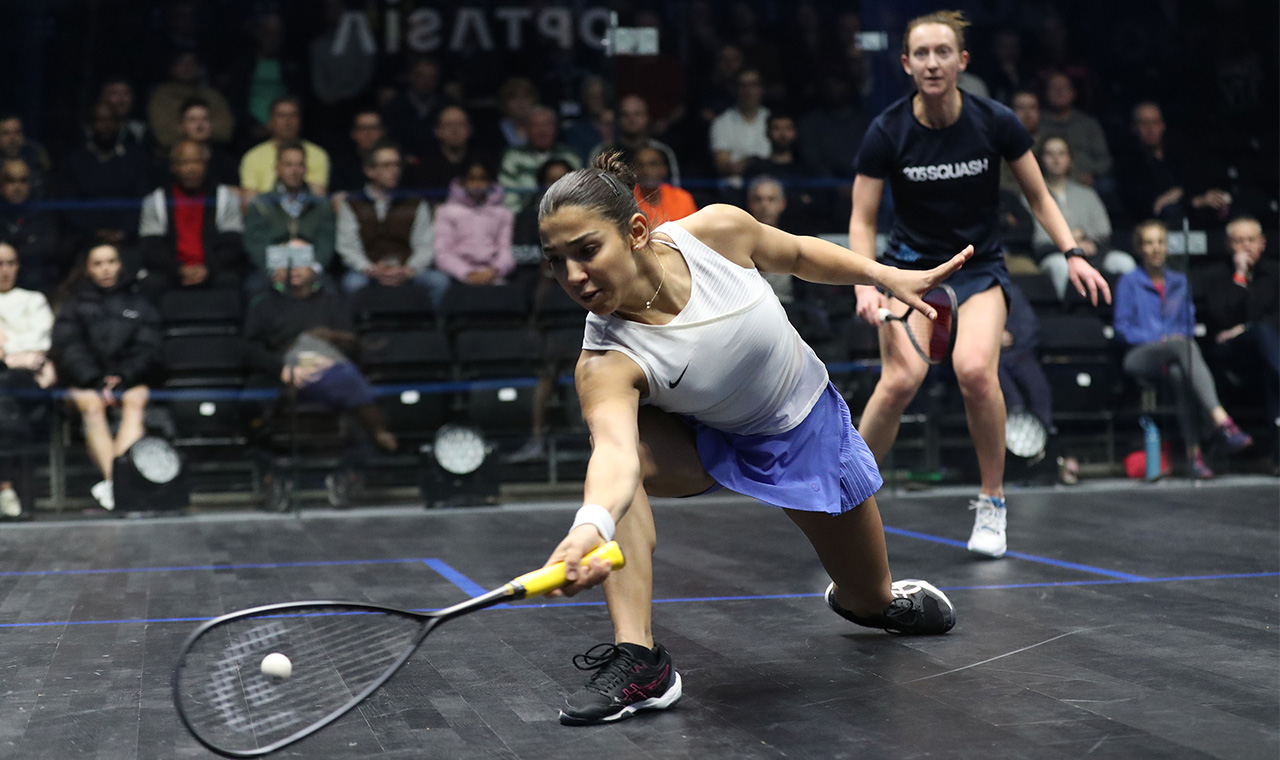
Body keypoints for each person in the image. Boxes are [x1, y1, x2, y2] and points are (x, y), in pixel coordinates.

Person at [535, 152, 964, 726]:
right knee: (627, 466)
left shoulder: (715, 233)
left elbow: (799, 253)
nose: (574, 278)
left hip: (803, 427)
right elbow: (614, 453)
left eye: (587, 251)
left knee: (870, 600)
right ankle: (640, 659)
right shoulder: (604, 360)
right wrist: (591, 527)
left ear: (636, 231)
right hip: (706, 442)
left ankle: (873, 599)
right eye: (556, 262)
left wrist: (884, 275)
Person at [847, 10, 1110, 559]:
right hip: (911, 272)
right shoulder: (886, 131)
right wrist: (866, 284)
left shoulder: (996, 122)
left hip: (980, 269)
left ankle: (992, 501)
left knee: (973, 373)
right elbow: (863, 220)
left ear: (962, 61)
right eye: (921, 53)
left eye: (943, 51)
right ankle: (843, 501)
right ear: (905, 64)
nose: (932, 62)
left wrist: (1075, 254)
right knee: (898, 384)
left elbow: (1040, 197)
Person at [243, 255, 397, 507]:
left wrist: (328, 362)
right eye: (286, 261)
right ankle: (271, 476)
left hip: (326, 370)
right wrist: (282, 367)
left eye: (301, 261)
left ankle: (349, 473)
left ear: (315, 268)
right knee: (251, 399)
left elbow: (349, 342)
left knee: (362, 398)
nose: (293, 268)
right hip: (280, 373)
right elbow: (250, 348)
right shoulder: (262, 304)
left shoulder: (333, 302)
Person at [1115, 220, 1253, 479]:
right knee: (1181, 346)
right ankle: (1222, 421)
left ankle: (1194, 457)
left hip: (1176, 356)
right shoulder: (1129, 282)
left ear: (1167, 247)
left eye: (1160, 242)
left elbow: (1188, 325)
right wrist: (1162, 339)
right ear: (1140, 248)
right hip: (1139, 355)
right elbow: (1123, 330)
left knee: (1181, 372)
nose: (1155, 248)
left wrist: (1172, 342)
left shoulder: (1179, 282)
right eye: (1149, 242)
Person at [49, 244, 161, 511]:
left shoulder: (140, 303)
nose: (106, 268)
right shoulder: (72, 306)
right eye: (98, 263)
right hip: (84, 383)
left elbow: (149, 348)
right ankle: (120, 486)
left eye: (111, 261)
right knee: (92, 405)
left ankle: (115, 487)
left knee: (135, 402)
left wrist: (122, 378)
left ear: (120, 264)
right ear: (88, 269)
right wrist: (95, 380)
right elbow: (67, 347)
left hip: (130, 381)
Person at [335, 142, 448, 305]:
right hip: (367, 271)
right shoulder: (353, 203)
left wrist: (409, 270)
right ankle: (357, 329)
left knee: (438, 281)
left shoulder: (415, 202)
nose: (394, 170)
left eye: (397, 164)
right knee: (353, 284)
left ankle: (433, 328)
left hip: (406, 269)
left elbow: (425, 245)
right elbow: (347, 247)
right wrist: (370, 269)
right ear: (370, 170)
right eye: (387, 165)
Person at [1026, 137, 1136, 299]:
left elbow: (1103, 229)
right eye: (1050, 154)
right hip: (1053, 254)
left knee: (1124, 262)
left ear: (1069, 159)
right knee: (1060, 266)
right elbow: (1038, 236)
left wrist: (1085, 240)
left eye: (1061, 153)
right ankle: (1065, 315)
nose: (1056, 159)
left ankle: (1125, 314)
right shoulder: (1031, 196)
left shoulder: (1087, 193)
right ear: (1041, 159)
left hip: (1092, 251)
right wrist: (1072, 243)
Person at [1199, 217, 1279, 434]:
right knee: (1264, 336)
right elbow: (1222, 318)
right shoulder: (1213, 276)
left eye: (1251, 240)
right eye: (1239, 240)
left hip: (1270, 349)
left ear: (1262, 242)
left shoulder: (1275, 272)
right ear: (1228, 244)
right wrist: (1240, 276)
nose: (1246, 246)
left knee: (1271, 367)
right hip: (1233, 351)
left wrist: (1247, 327)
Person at [138, 140, 246, 300]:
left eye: (197, 162)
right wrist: (179, 270)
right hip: (172, 271)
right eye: (184, 163)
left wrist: (207, 269)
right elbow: (152, 249)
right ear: (173, 167)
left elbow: (233, 244)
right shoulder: (155, 201)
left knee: (231, 280)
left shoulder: (226, 197)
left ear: (205, 165)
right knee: (152, 284)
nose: (192, 168)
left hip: (214, 269)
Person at [0, 242, 56, 517]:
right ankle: (8, 488)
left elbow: (40, 340)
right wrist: (18, 353)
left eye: (10, 263)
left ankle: (6, 487)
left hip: (27, 382)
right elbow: (27, 346)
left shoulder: (34, 300)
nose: (5, 270)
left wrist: (6, 351)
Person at [242, 141, 336, 292]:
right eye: (288, 165)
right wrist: (274, 270)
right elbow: (255, 244)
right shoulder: (260, 204)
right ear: (277, 169)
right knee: (254, 286)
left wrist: (313, 269)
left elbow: (326, 241)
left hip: (309, 267)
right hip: (273, 268)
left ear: (305, 169)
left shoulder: (320, 204)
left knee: (330, 289)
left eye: (299, 165)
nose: (294, 170)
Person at [433, 160, 514, 290]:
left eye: (482, 179)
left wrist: (494, 271)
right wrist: (467, 273)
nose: (477, 184)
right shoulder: (446, 212)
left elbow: (506, 251)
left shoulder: (503, 213)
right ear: (462, 181)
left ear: (490, 182)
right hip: (456, 277)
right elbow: (443, 253)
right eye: (471, 179)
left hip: (493, 275)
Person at [238, 96, 331, 199]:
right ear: (271, 120)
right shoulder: (253, 156)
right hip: (265, 213)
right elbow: (249, 202)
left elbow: (318, 198)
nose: (288, 121)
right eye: (281, 116)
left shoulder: (318, 154)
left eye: (293, 115)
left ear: (300, 120)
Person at [498, 106, 581, 213]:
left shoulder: (570, 156)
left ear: (556, 128)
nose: (542, 130)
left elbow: (579, 194)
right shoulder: (512, 157)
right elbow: (508, 197)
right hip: (524, 220)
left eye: (547, 125)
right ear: (526, 130)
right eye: (536, 125)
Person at [146, 51, 236, 150]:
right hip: (173, 156)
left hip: (213, 153)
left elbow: (226, 131)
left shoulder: (212, 95)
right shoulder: (161, 95)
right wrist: (202, 131)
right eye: (182, 62)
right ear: (171, 67)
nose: (188, 67)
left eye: (192, 63)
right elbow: (165, 136)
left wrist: (190, 130)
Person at [1038, 71, 1111, 187]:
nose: (1059, 92)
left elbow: (1104, 160)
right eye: (1054, 88)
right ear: (1046, 93)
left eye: (1064, 87)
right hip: (1047, 181)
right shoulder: (1038, 123)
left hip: (1087, 180)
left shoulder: (1088, 123)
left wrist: (1091, 173)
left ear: (1073, 93)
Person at [0, 158, 61, 293]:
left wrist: (11, 243)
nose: (17, 187)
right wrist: (26, 240)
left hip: (35, 280)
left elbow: (46, 248)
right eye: (11, 180)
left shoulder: (42, 210)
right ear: (1, 184)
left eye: (23, 180)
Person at [709, 69, 770, 186]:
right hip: (734, 189)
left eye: (753, 85)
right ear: (735, 89)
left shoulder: (772, 119)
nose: (748, 91)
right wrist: (755, 163)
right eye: (743, 85)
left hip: (769, 188)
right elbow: (722, 166)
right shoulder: (722, 122)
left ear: (762, 88)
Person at [632, 147, 697, 227]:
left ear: (664, 169)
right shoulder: (627, 199)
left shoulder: (683, 198)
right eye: (640, 165)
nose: (646, 170)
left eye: (653, 164)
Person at [328, 110, 386, 195]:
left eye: (374, 128)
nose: (368, 134)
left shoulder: (397, 162)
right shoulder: (341, 165)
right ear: (353, 133)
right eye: (363, 128)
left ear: (383, 131)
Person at [0, 114, 53, 199]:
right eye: (6, 133)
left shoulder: (36, 155)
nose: (12, 139)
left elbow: (46, 187)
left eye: (17, 132)